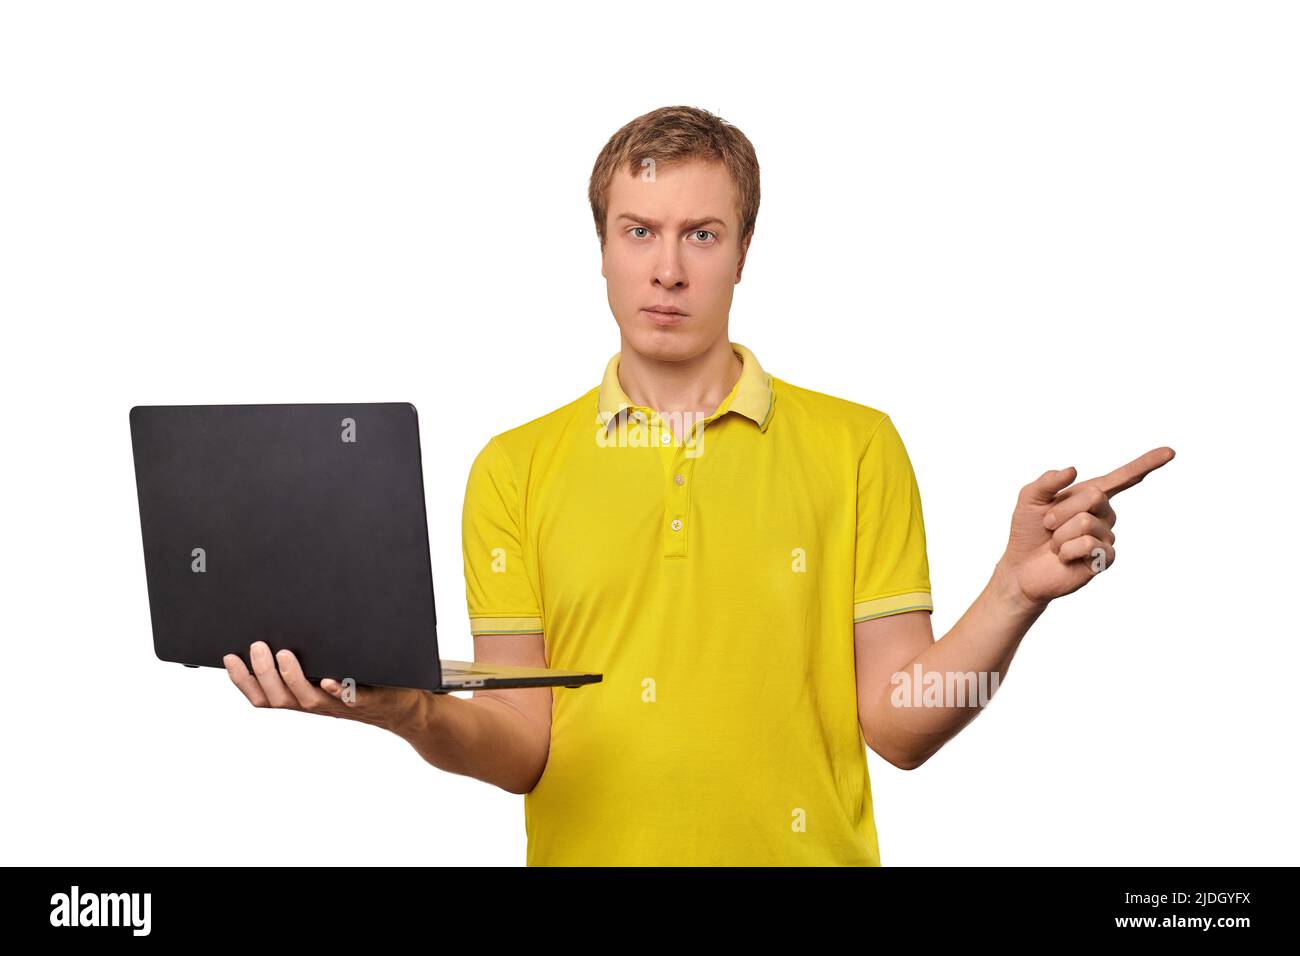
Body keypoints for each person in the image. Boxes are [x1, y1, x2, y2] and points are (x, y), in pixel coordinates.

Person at [223, 105, 1175, 866]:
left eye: (701, 234)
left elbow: (898, 725)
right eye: (639, 232)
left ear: (744, 251)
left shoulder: (857, 446)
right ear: (601, 248)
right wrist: (404, 710)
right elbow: (523, 743)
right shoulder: (512, 468)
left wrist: (1013, 592)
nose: (668, 269)